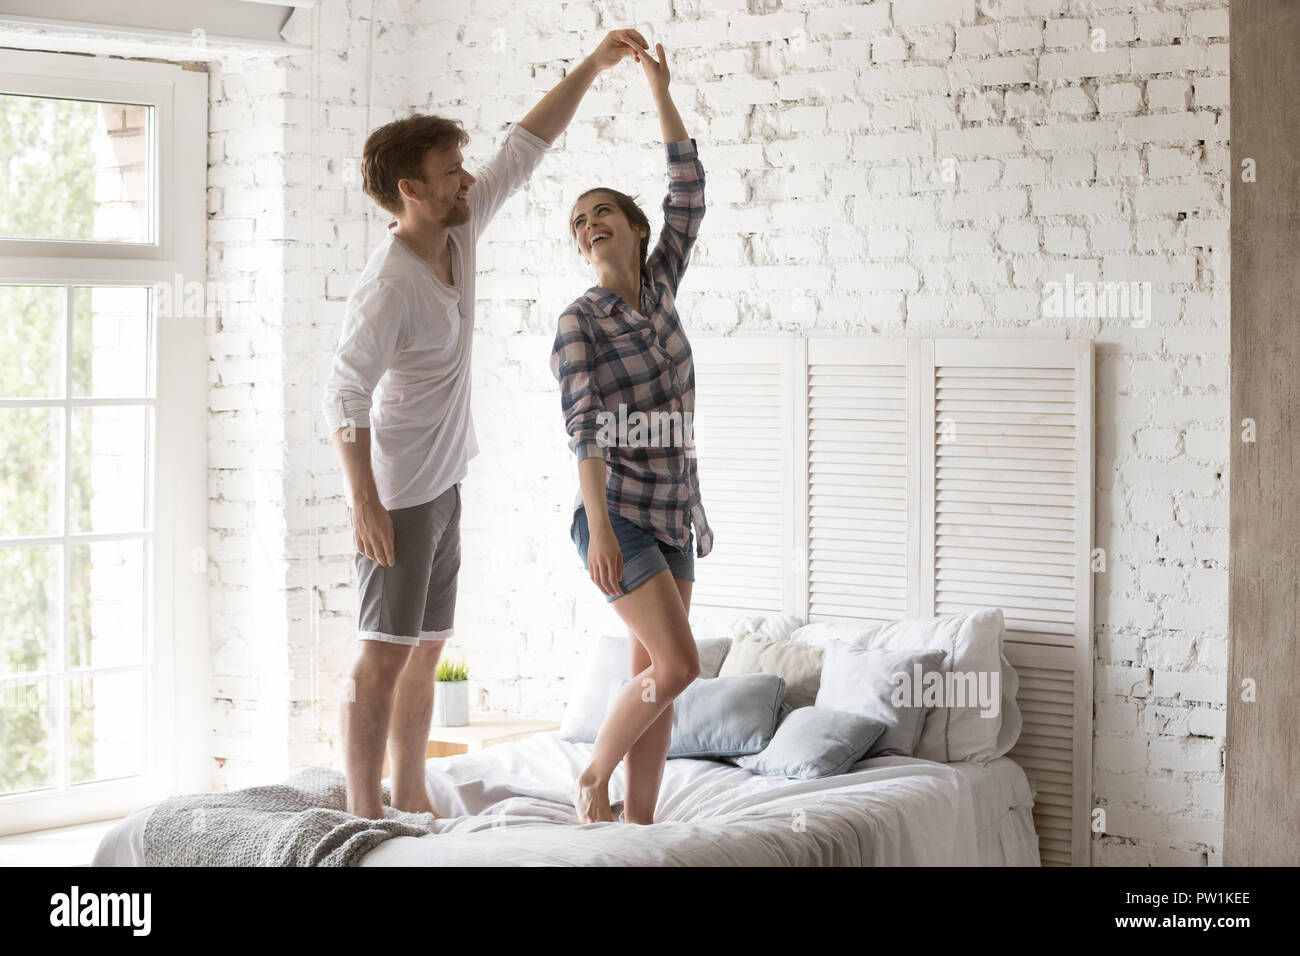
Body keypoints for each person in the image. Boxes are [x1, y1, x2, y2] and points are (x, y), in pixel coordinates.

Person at [323, 29, 652, 821]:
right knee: (379, 657)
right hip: (397, 494)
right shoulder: (387, 285)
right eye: (448, 173)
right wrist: (364, 502)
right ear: (411, 188)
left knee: (427, 647)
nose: (465, 179)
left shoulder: (458, 229)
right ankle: (363, 815)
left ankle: (410, 797)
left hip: (444, 484)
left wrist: (596, 65)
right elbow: (342, 393)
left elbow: (525, 146)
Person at [550, 42, 714, 825]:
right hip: (616, 516)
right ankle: (591, 777)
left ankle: (641, 826)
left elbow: (689, 188)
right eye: (579, 222)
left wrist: (659, 89)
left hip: (675, 511)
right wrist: (604, 528)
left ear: (635, 228)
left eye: (601, 212)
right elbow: (583, 430)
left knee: (656, 674)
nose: (589, 226)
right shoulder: (578, 322)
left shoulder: (660, 288)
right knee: (679, 663)